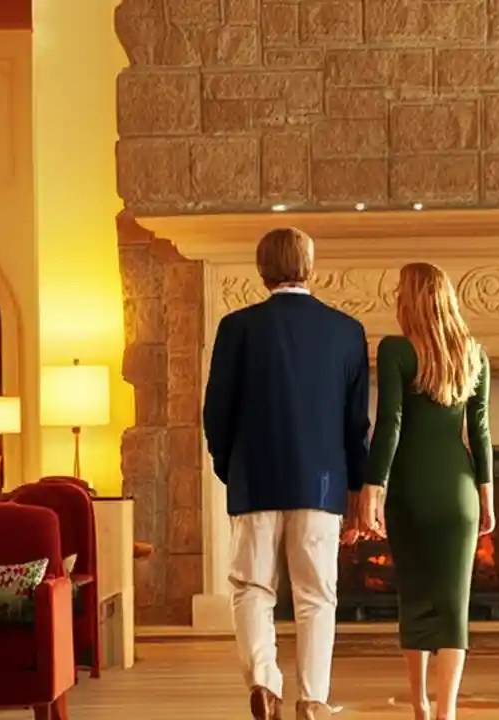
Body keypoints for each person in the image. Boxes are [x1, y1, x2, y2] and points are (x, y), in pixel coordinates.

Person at [203, 227, 370, 720]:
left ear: (262, 270)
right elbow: (355, 422)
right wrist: (356, 486)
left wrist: (227, 465)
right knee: (316, 594)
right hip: (320, 483)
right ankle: (313, 699)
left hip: (253, 477)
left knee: (253, 587)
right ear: (309, 267)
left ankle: (264, 683)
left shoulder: (237, 328)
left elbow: (216, 412)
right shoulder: (347, 331)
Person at [359, 262, 494, 720]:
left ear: (412, 298)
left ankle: (418, 704)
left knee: (414, 595)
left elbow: (390, 425)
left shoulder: (396, 350)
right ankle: (446, 712)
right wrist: (488, 498)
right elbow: (480, 434)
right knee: (455, 604)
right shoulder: (474, 354)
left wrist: (372, 488)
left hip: (412, 490)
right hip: (460, 494)